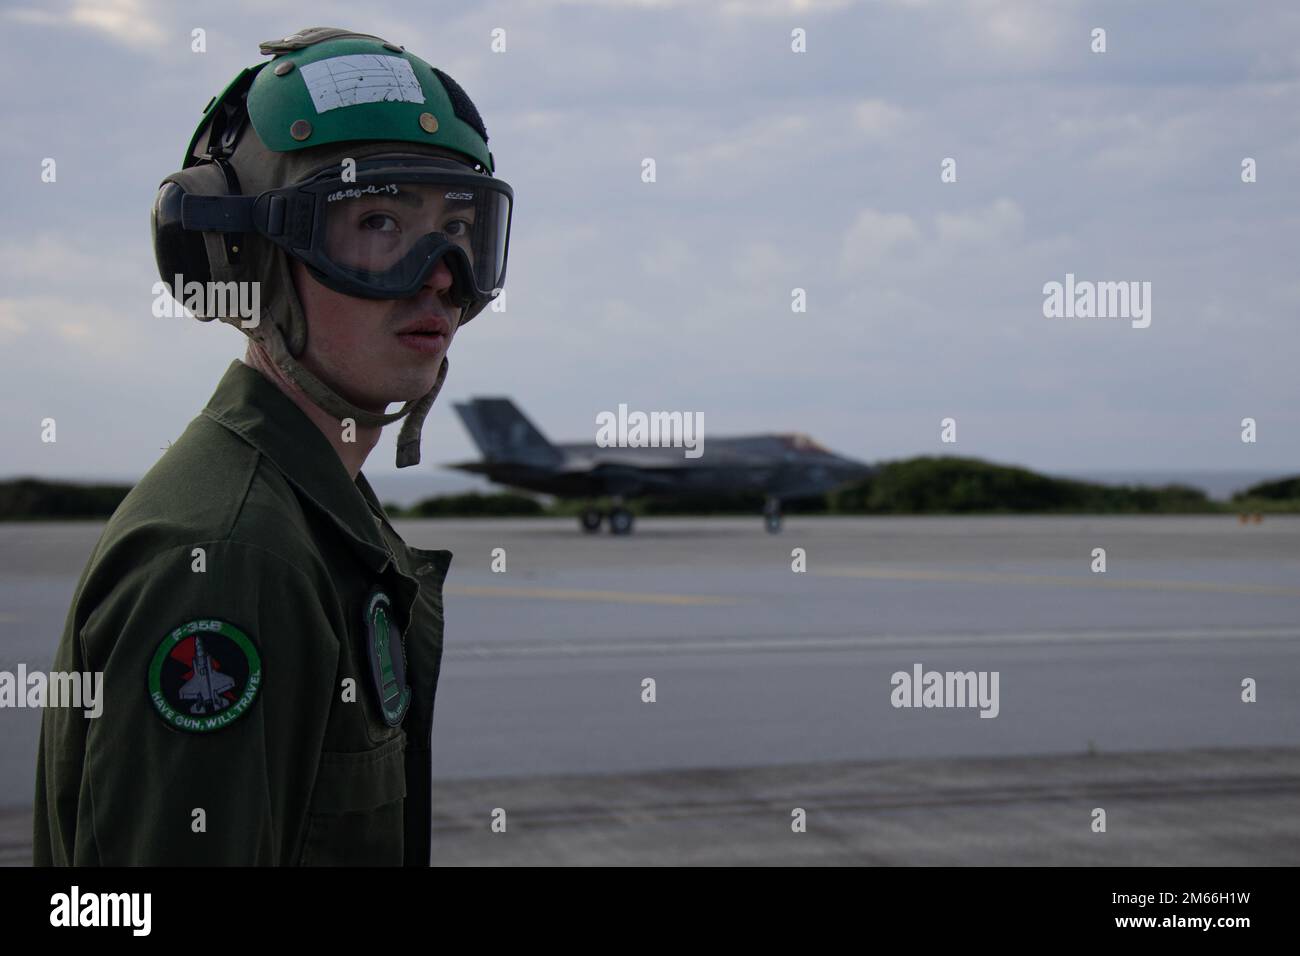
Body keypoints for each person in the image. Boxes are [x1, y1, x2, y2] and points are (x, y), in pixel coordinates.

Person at [33, 27, 513, 866]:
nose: (442, 273)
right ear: (244, 256)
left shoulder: (315, 508)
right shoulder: (228, 559)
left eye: (460, 226)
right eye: (378, 222)